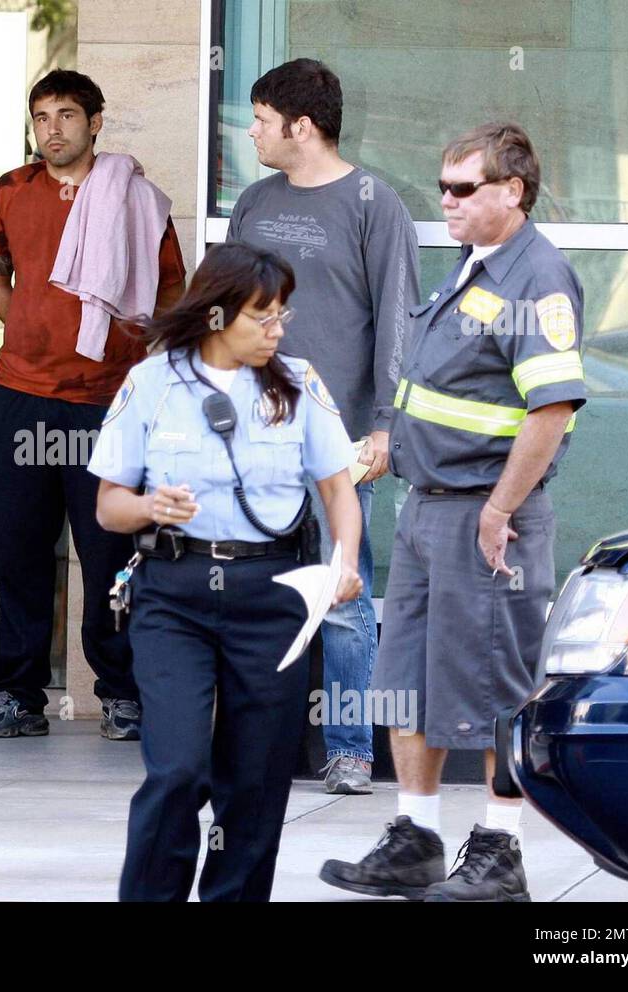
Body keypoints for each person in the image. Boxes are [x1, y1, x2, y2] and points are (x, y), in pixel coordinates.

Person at [320, 123, 585, 901]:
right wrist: (386, 448)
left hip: (486, 520)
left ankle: (500, 853)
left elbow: (552, 407)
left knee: (495, 686)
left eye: (464, 188)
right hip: (428, 512)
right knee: (405, 680)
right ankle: (416, 838)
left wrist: (501, 508)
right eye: (442, 186)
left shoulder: (536, 279)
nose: (448, 200)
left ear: (514, 191)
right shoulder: (473, 269)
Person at [90, 242, 363, 901]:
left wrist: (344, 561)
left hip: (272, 600)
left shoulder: (301, 384)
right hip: (173, 597)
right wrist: (151, 505)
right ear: (216, 316)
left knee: (257, 780)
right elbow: (107, 507)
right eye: (261, 316)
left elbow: (337, 490)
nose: (277, 329)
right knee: (178, 769)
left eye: (282, 316)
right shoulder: (151, 381)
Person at [0, 69, 186, 740]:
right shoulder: (11, 190)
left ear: (95, 122)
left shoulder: (137, 198)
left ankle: (122, 696)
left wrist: (122, 352)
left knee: (110, 554)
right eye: (41, 116)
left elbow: (170, 292)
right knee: (18, 552)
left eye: (66, 114)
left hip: (105, 403)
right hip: (20, 396)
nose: (53, 128)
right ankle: (17, 695)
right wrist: (31, 329)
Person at [228, 58, 420, 794]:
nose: (251, 132)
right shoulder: (253, 202)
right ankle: (259, 747)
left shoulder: (376, 204)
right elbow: (227, 313)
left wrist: (385, 429)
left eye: (262, 120)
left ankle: (349, 750)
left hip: (338, 442)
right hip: (250, 433)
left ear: (301, 127)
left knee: (343, 596)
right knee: (252, 592)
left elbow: (398, 322)